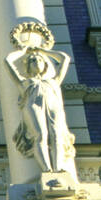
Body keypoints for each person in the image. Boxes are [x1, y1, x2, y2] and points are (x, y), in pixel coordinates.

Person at [6, 43, 76, 181]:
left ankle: (58, 168)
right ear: (27, 66)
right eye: (32, 60)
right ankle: (47, 170)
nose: (36, 61)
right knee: (40, 135)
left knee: (56, 135)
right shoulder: (25, 83)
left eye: (39, 60)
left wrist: (42, 51)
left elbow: (65, 58)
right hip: (33, 106)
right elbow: (7, 61)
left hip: (53, 106)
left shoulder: (54, 81)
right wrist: (22, 51)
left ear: (45, 65)